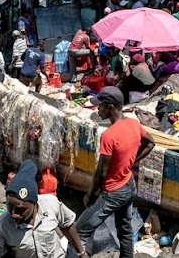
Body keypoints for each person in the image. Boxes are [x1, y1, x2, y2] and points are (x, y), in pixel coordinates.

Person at [74, 87, 155, 258]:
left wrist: (90, 194)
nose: (98, 109)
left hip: (113, 192)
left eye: (100, 106)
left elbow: (102, 173)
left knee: (78, 232)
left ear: (110, 108)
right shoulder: (133, 123)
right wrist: (132, 162)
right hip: (129, 185)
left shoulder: (109, 136)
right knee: (125, 231)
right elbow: (150, 143)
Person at [0, 160, 86, 258]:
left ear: (34, 202)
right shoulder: (2, 225)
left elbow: (67, 224)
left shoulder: (51, 204)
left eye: (21, 210)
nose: (14, 214)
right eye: (10, 207)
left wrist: (81, 253)